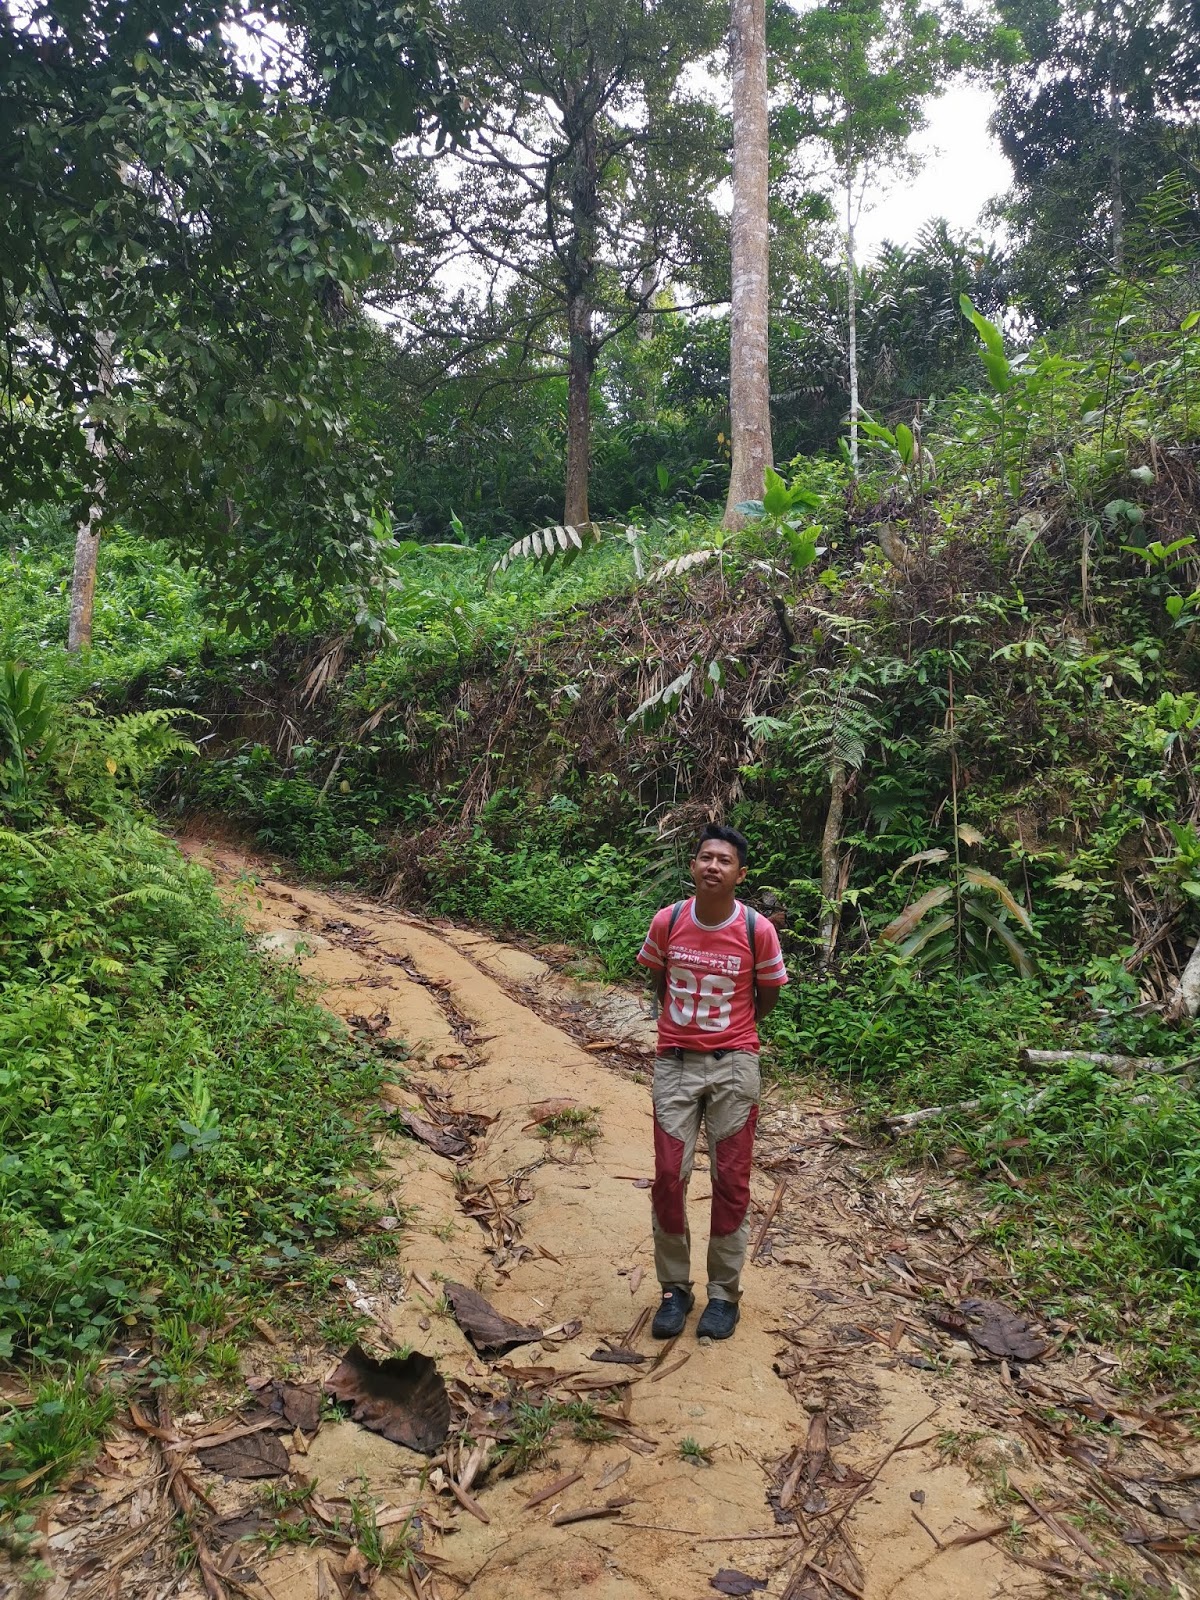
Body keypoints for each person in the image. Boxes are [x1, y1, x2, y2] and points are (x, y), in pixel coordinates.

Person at [636, 824, 788, 1341]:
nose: (713, 866)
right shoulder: (669, 920)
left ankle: (724, 1294)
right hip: (674, 1063)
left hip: (734, 1065)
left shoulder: (756, 930)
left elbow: (767, 994)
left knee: (731, 1179)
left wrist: (735, 1036)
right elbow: (656, 978)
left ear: (740, 874)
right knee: (667, 1177)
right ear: (693, 866)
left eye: (724, 860)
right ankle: (674, 1289)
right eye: (705, 857)